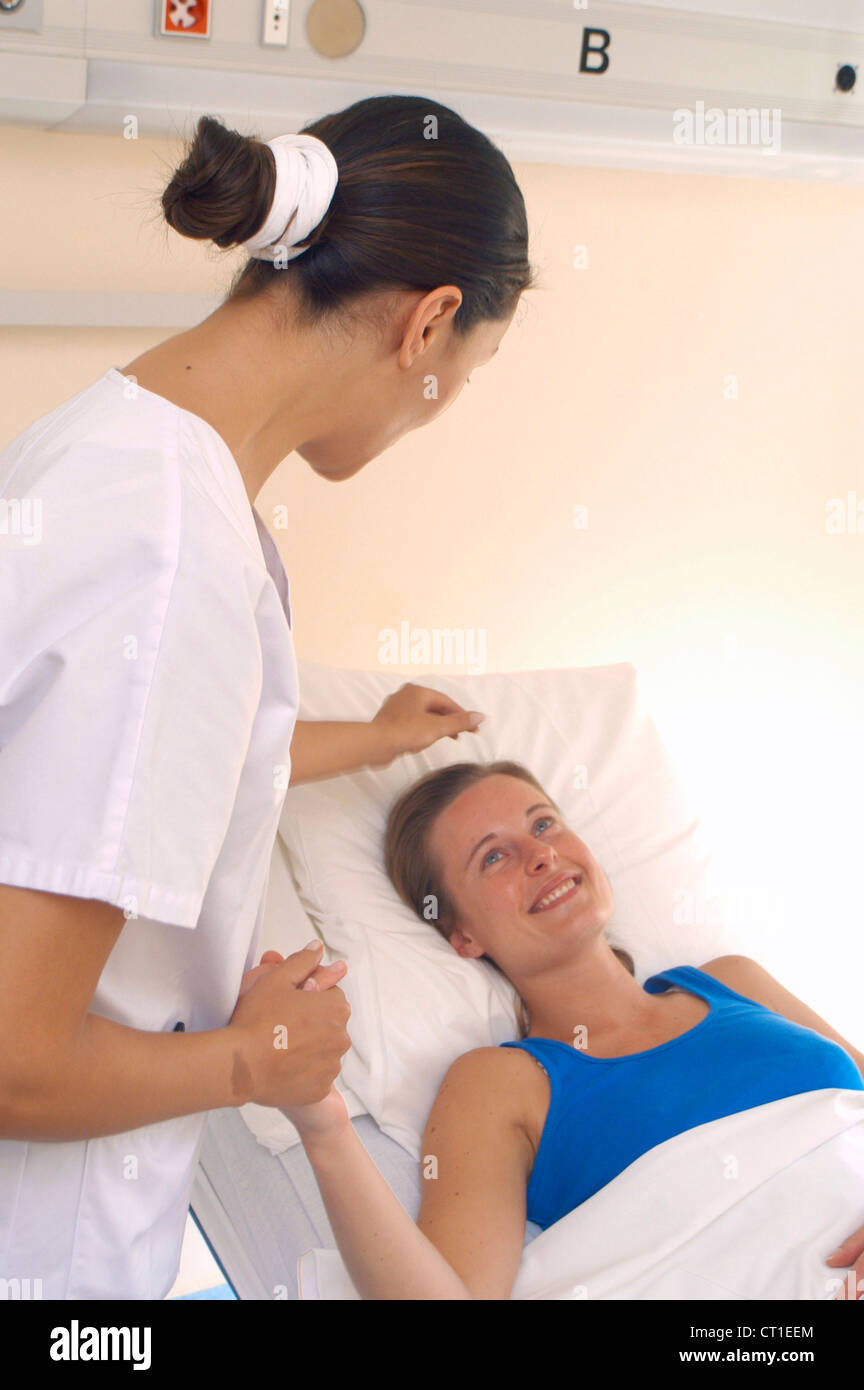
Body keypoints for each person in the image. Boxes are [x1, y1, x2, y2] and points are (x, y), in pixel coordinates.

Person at [0, 95, 533, 1299]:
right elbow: (14, 1060)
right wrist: (256, 1060)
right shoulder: (170, 551)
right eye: (471, 370)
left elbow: (141, 764)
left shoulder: (121, 447)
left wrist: (378, 737)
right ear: (431, 321)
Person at [265, 760, 864, 1300]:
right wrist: (324, 1124)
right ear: (463, 936)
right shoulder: (499, 1082)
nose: (540, 855)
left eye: (544, 825)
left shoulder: (736, 981)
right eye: (493, 856)